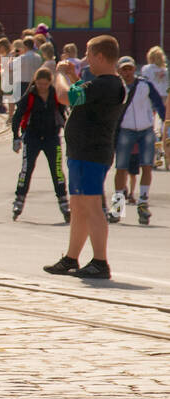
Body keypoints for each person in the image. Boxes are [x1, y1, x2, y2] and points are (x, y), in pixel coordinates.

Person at [44, 36, 127, 279]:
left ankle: (100, 262)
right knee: (79, 206)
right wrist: (73, 77)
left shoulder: (106, 84)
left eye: (89, 55)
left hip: (91, 153)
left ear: (101, 57)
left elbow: (65, 96)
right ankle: (71, 258)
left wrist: (59, 74)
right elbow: (83, 95)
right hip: (83, 152)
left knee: (91, 206)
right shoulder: (105, 84)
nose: (86, 60)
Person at [10, 67, 69, 223]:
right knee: (26, 169)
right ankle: (19, 199)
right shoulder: (30, 96)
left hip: (51, 136)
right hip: (32, 136)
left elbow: (63, 114)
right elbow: (17, 117)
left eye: (45, 84)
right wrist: (15, 137)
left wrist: (68, 133)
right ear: (35, 82)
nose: (42, 87)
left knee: (57, 170)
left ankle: (63, 200)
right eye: (39, 84)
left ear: (50, 83)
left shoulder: (55, 95)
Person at [113, 55, 165, 225]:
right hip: (126, 130)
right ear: (118, 71)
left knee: (147, 167)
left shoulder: (144, 85)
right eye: (123, 69)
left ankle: (143, 202)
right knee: (121, 168)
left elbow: (158, 104)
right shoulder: (117, 88)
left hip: (145, 130)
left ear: (134, 69)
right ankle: (118, 206)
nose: (127, 72)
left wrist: (165, 122)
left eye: (129, 68)